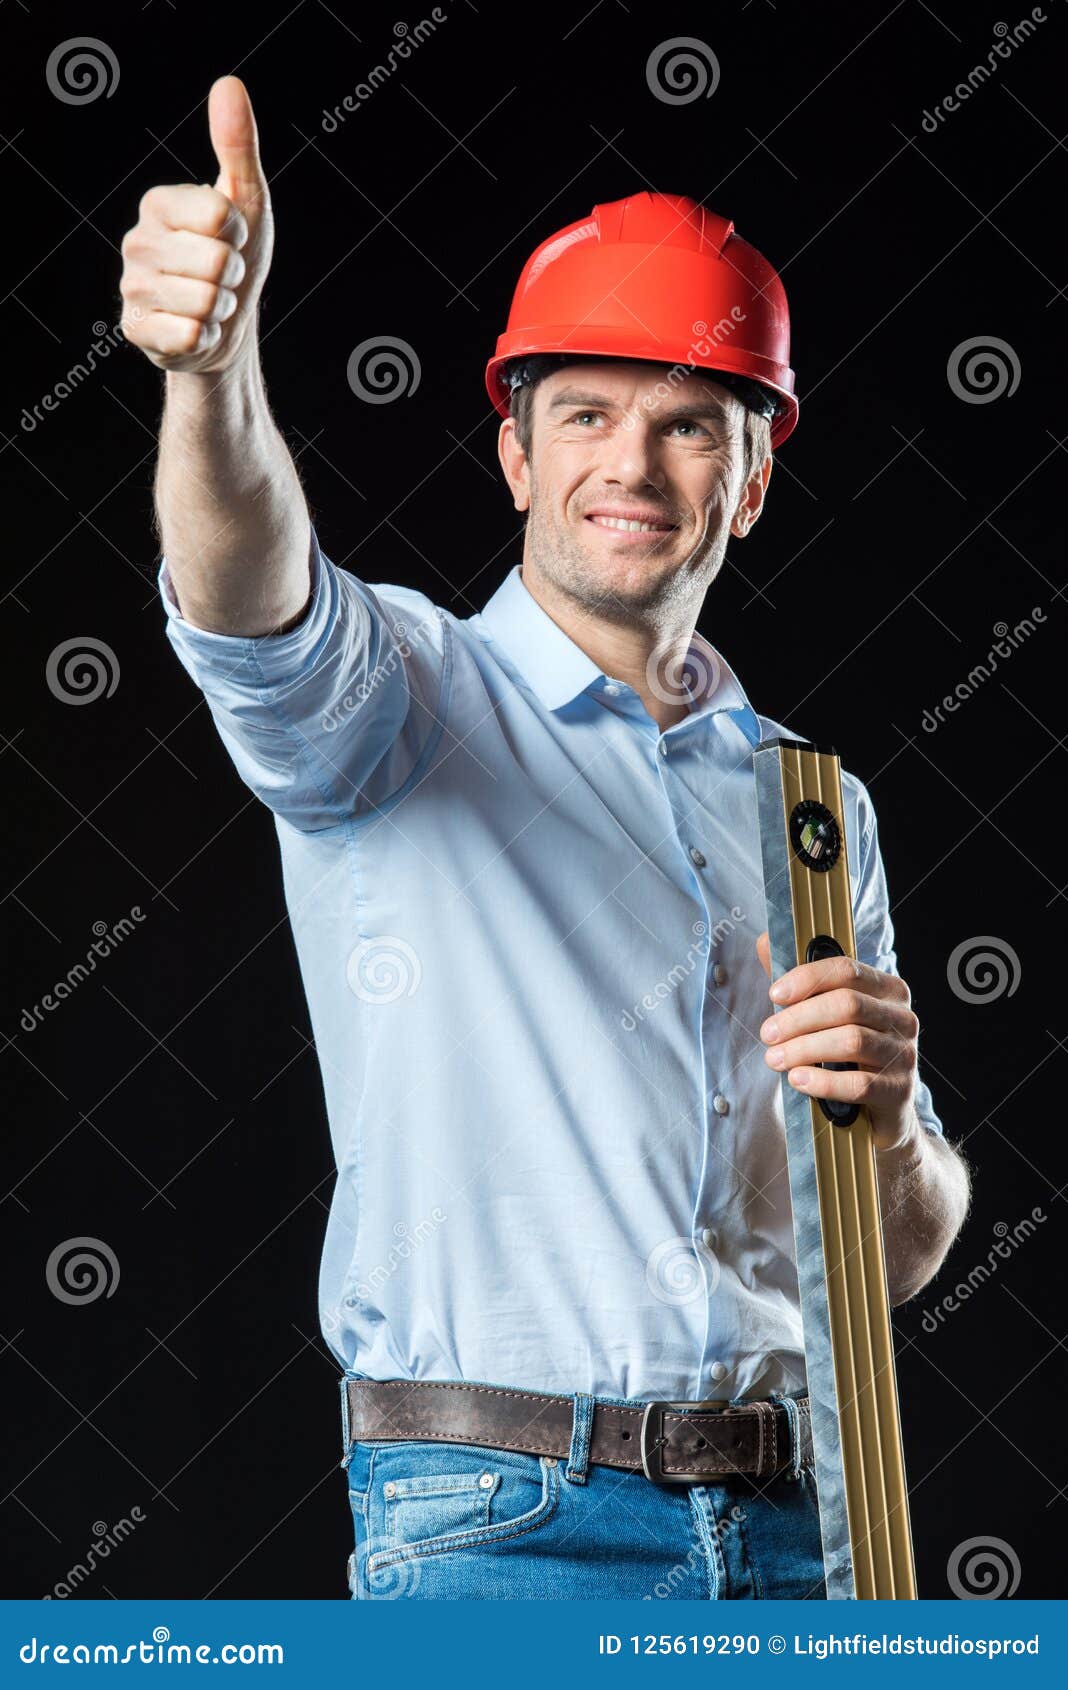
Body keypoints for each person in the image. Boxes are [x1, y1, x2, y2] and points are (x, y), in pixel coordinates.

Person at [119, 76, 970, 1602]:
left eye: (687, 426)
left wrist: (888, 1124)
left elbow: (879, 1261)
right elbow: (251, 589)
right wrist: (212, 379)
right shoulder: (399, 703)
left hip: (797, 1531)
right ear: (517, 454)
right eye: (584, 413)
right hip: (503, 1523)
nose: (632, 467)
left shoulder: (814, 807)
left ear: (754, 479)